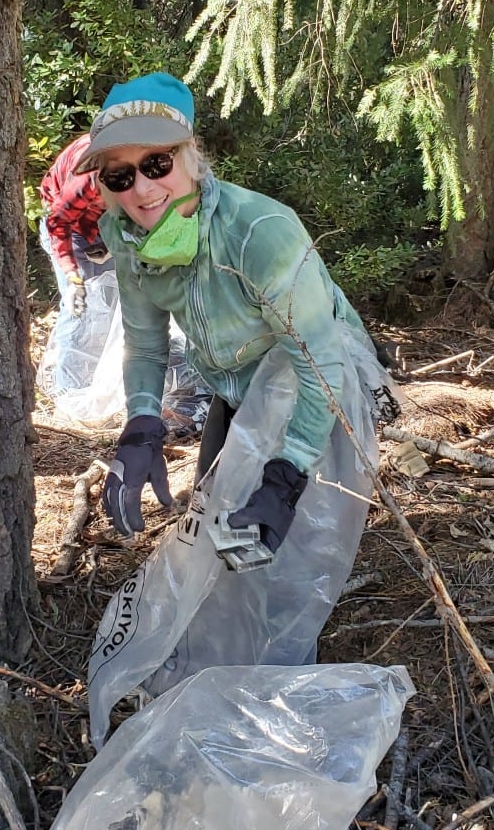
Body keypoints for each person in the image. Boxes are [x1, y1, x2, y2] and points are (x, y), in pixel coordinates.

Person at [73, 71, 397, 551]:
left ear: (190, 157)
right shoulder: (125, 235)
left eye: (156, 163)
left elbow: (320, 364)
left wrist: (285, 477)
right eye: (120, 175)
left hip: (322, 386)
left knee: (301, 546)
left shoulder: (258, 232)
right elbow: (144, 342)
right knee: (219, 537)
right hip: (235, 388)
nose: (141, 190)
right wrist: (141, 425)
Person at [38, 133, 111, 318]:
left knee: (110, 301)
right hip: (69, 228)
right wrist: (73, 277)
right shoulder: (87, 176)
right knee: (80, 308)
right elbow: (58, 221)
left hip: (105, 225)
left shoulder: (143, 170)